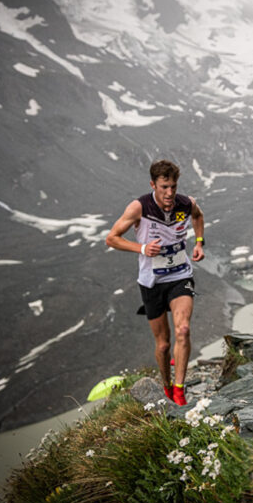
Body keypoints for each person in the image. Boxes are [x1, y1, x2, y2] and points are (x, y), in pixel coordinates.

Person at [106, 160, 205, 405]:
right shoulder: (139, 207)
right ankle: (167, 386)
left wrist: (199, 242)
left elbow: (198, 216)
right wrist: (141, 248)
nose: (169, 193)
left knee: (183, 330)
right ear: (153, 185)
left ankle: (179, 392)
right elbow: (112, 238)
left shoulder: (186, 203)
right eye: (164, 187)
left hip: (180, 275)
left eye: (173, 187)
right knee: (163, 345)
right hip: (151, 281)